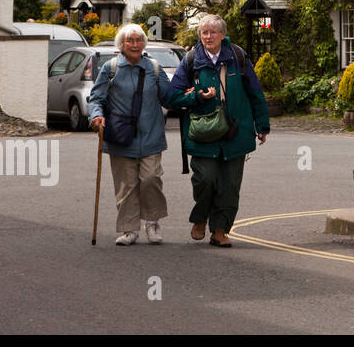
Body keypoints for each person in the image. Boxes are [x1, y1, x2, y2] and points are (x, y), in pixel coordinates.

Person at [168, 15, 269, 248]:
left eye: (213, 32)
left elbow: (255, 92)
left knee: (231, 184)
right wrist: (196, 96)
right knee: (205, 179)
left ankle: (220, 230)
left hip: (236, 132)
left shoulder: (238, 57)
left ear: (222, 35)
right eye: (204, 32)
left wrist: (262, 125)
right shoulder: (191, 60)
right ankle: (200, 217)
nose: (208, 36)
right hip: (204, 133)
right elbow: (171, 96)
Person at [88, 23, 173, 245]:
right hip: (120, 136)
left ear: (144, 43)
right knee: (126, 185)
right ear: (122, 45)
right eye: (130, 41)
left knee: (150, 179)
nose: (135, 44)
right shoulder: (111, 68)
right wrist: (96, 116)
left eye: (138, 40)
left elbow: (169, 97)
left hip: (151, 135)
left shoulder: (154, 68)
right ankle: (129, 228)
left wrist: (192, 96)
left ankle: (152, 222)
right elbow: (96, 98)